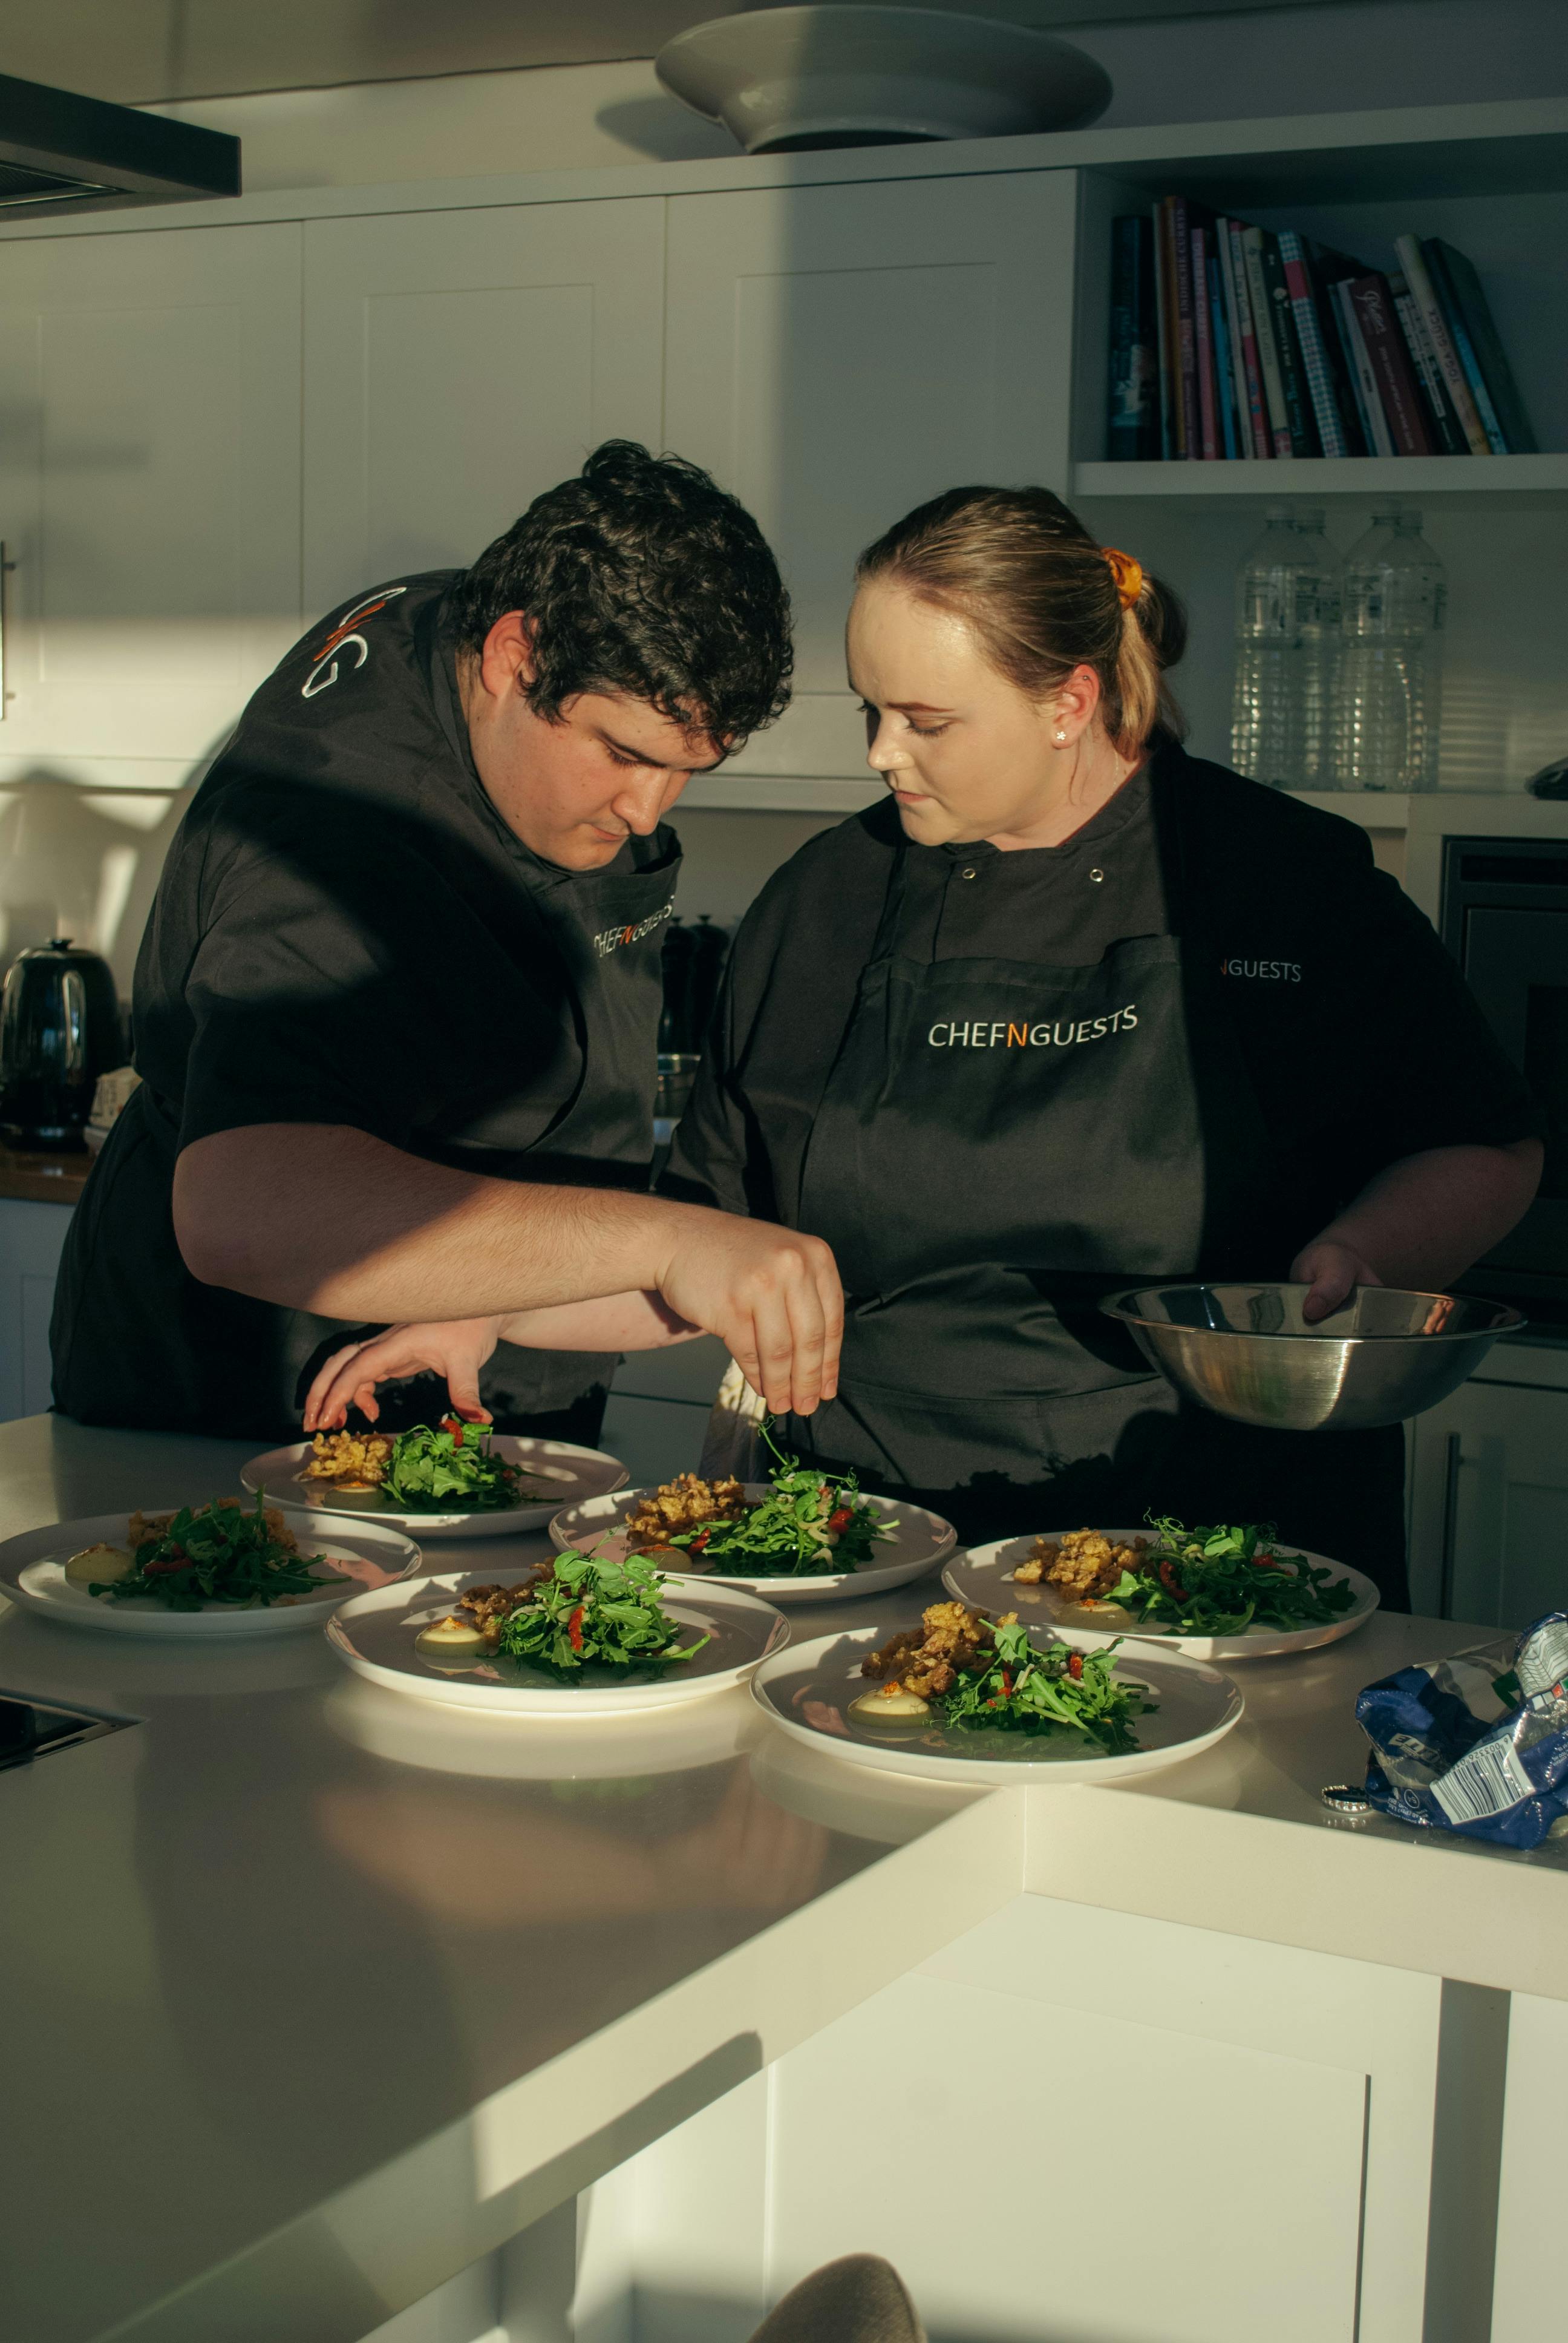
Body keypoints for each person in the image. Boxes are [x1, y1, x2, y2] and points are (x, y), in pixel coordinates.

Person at [305, 485, 1541, 1605]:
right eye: (872, 709)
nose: (882, 753)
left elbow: (1484, 1147)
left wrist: (1366, 1252)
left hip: (1206, 1557)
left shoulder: (1284, 882)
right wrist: (486, 1314)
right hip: (861, 1550)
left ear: (1068, 701)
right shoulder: (827, 901)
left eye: (927, 719)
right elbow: (706, 1245)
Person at [50, 443, 841, 1441]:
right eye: (623, 755)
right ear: (515, 657)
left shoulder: (474, 624)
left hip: (492, 1356)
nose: (649, 811)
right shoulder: (340, 840)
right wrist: (666, 1242)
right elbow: (242, 1209)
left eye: (690, 770)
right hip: (269, 1401)